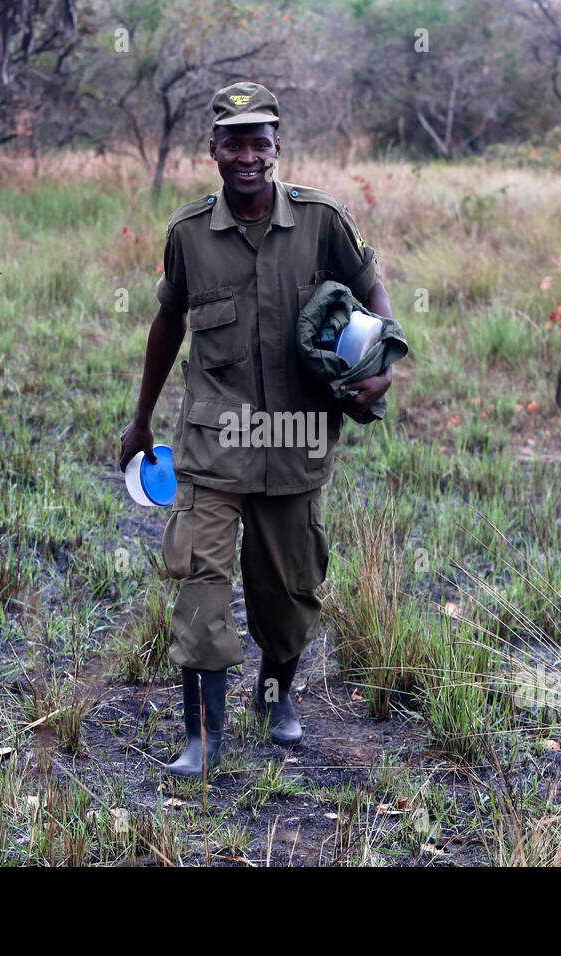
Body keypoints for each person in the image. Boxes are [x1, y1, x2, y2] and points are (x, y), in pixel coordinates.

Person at [118, 81, 394, 778]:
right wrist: (140, 419)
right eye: (233, 141)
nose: (247, 154)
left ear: (277, 148)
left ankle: (275, 698)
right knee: (200, 582)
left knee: (287, 592)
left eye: (259, 141)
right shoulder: (187, 235)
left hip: (298, 441)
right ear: (212, 149)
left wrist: (379, 363)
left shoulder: (323, 221)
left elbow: (373, 291)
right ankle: (201, 737)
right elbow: (167, 322)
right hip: (214, 444)